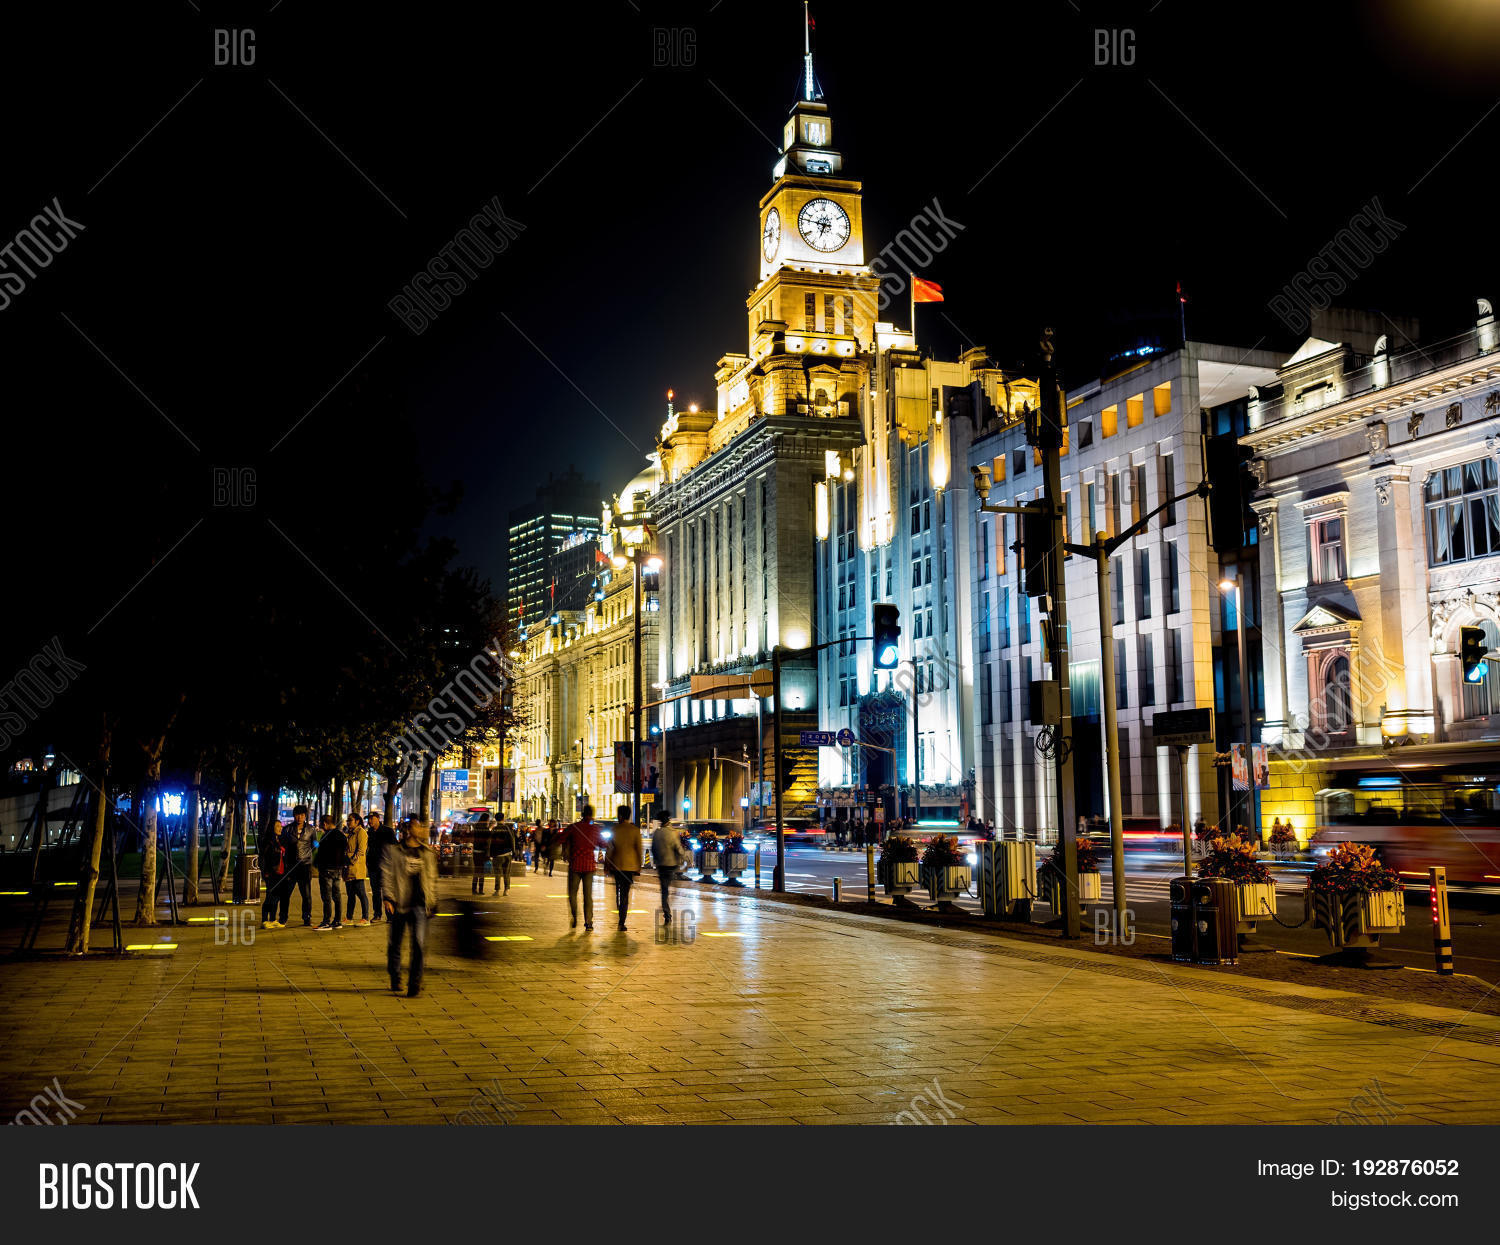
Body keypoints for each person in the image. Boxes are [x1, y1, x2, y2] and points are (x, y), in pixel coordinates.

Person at [382, 816, 439, 996]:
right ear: (409, 829)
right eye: (418, 826)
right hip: (400, 903)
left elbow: (431, 879)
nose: (422, 830)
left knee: (419, 945)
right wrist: (388, 898)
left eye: (423, 826)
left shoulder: (428, 853)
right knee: (395, 943)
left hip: (420, 905)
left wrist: (432, 901)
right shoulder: (394, 851)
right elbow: (387, 875)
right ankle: (395, 976)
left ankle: (414, 982)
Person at [558, 805, 604, 931]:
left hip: (575, 865)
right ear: (592, 814)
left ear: (583, 814)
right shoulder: (595, 829)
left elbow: (561, 838)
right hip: (589, 866)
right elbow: (603, 843)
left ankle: (574, 916)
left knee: (573, 893)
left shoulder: (574, 827)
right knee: (587, 895)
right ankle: (588, 922)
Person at [604, 805, 642, 931]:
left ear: (620, 816)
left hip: (617, 866)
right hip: (630, 867)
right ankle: (622, 920)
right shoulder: (635, 830)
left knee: (618, 891)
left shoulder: (615, 830)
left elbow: (609, 849)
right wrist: (638, 866)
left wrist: (606, 865)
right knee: (625, 893)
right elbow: (639, 850)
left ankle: (619, 912)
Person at [313, 814, 347, 930]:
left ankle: (326, 921)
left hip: (326, 869)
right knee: (337, 896)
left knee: (326, 896)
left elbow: (321, 854)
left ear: (325, 824)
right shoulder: (341, 836)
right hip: (338, 869)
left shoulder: (326, 836)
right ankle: (337, 920)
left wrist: (316, 864)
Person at [650, 817, 685, 925]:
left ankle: (666, 912)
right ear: (668, 821)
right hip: (671, 865)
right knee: (674, 888)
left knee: (664, 890)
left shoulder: (657, 833)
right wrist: (682, 857)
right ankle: (666, 907)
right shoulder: (673, 833)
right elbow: (678, 849)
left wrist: (657, 860)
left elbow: (653, 848)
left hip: (661, 865)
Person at [367, 811, 398, 921]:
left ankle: (390, 915)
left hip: (385, 866)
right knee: (375, 892)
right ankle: (377, 914)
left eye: (372, 818)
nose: (369, 821)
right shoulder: (369, 832)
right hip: (373, 866)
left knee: (387, 891)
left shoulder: (387, 831)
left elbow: (394, 847)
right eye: (368, 819)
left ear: (378, 818)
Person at [289, 805, 317, 926]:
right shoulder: (288, 829)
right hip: (290, 865)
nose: (299, 817)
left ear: (305, 816)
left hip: (305, 865)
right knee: (286, 893)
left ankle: (307, 917)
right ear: (294, 815)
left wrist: (309, 854)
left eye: (302, 815)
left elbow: (315, 844)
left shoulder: (311, 829)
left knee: (306, 893)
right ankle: (283, 917)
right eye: (297, 815)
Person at [259, 819, 288, 928]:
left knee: (276, 897)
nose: (280, 828)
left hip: (280, 873)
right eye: (277, 826)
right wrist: (265, 872)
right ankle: (264, 920)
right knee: (269, 897)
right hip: (271, 874)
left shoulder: (278, 840)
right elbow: (263, 858)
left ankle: (272, 919)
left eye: (281, 826)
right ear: (272, 828)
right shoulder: (268, 841)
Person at [344, 813, 370, 925]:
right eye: (348, 820)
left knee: (361, 893)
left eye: (350, 820)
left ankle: (365, 918)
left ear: (357, 821)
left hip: (356, 868)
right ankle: (349, 918)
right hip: (349, 868)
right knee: (350, 894)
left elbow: (361, 851)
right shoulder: (350, 833)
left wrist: (351, 861)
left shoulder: (361, 832)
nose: (348, 822)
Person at [490, 818, 516, 895]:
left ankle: (497, 890)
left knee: (497, 873)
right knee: (506, 873)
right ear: (503, 819)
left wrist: (491, 854)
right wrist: (513, 852)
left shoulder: (494, 830)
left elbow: (491, 842)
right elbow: (512, 840)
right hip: (507, 854)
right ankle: (506, 890)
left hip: (497, 855)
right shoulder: (507, 828)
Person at [470, 813, 491, 895]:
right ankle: (481, 890)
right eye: (488, 819)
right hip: (482, 853)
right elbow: (487, 841)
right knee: (481, 872)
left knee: (476, 870)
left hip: (475, 852)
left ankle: (474, 889)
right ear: (486, 820)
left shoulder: (476, 827)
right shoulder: (486, 829)